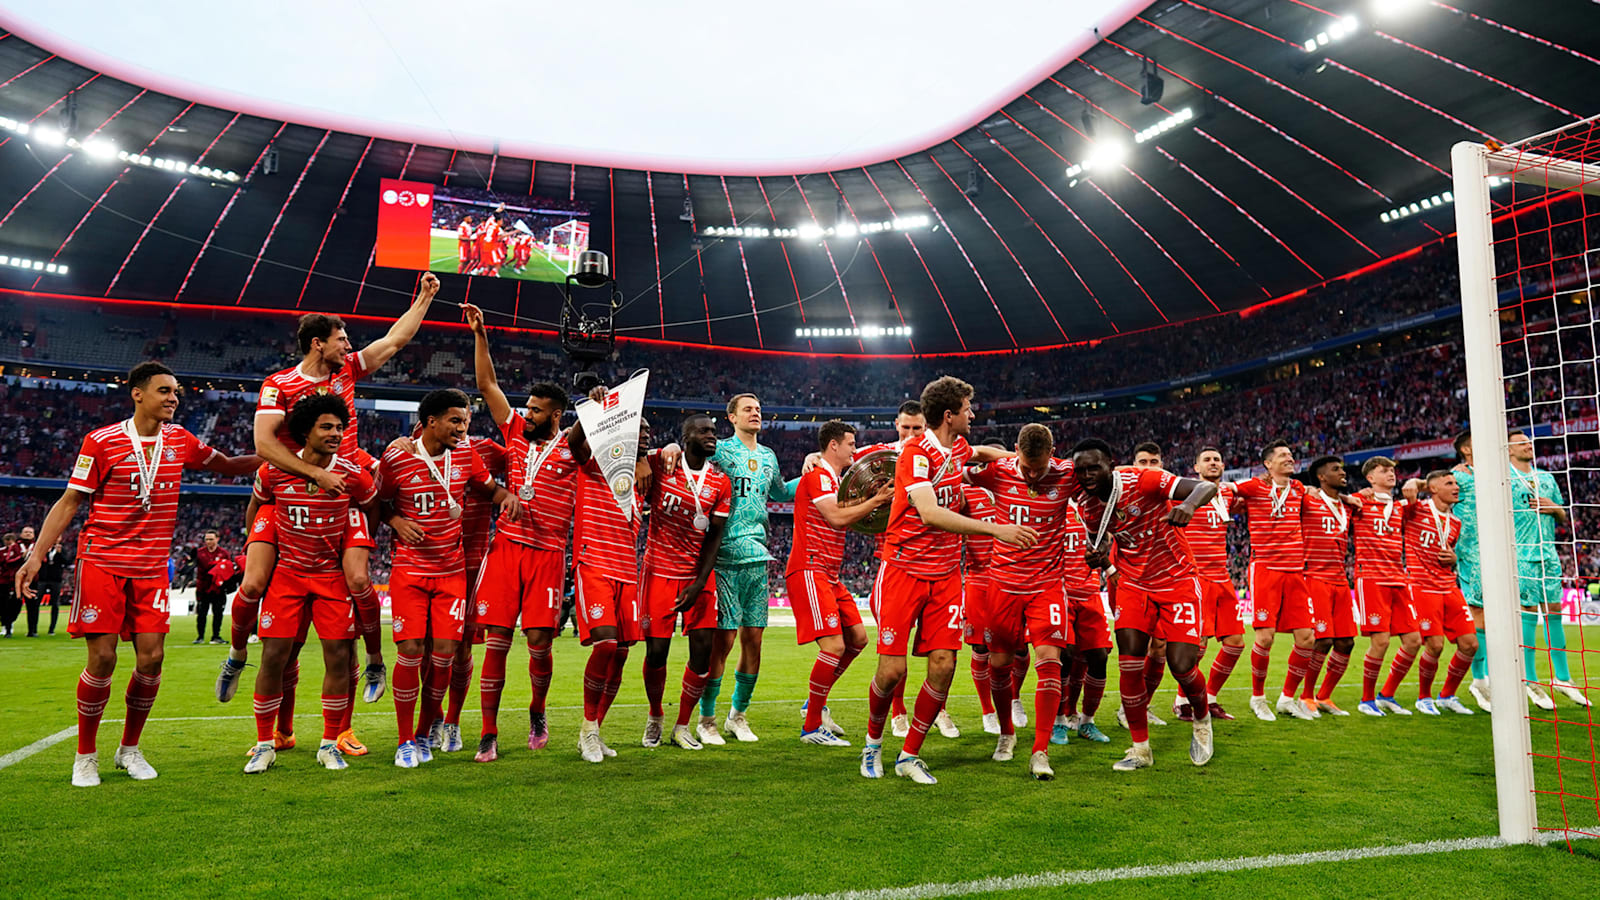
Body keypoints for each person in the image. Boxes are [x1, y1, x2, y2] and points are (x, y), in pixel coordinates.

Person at [16, 361, 258, 787]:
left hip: (150, 570)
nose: (174, 398)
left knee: (152, 658)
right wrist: (37, 555)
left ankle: (129, 749)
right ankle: (85, 757)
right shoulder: (102, 441)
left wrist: (286, 454)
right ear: (138, 393)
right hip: (103, 561)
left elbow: (228, 465)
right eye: (165, 390)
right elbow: (71, 500)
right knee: (104, 658)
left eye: (177, 392)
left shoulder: (180, 440)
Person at [219, 274, 440, 710]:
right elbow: (264, 446)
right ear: (318, 343)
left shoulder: (349, 370)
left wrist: (424, 298)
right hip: (289, 489)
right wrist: (311, 474)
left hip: (346, 481)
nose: (348, 345)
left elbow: (394, 341)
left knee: (359, 577)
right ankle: (237, 653)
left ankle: (374, 660)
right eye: (342, 339)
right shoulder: (278, 385)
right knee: (254, 582)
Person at [859, 376, 1037, 786]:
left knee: (943, 666)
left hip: (945, 576)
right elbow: (929, 512)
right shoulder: (915, 454)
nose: (973, 414)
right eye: (967, 408)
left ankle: (909, 755)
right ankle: (872, 744)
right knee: (891, 671)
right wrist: (995, 530)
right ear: (948, 415)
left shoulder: (957, 447)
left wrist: (1018, 459)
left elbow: (983, 453)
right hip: (903, 569)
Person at [464, 304, 580, 761]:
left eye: (535, 410)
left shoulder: (573, 448)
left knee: (538, 643)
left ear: (554, 416)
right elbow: (487, 385)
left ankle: (537, 709)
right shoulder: (512, 430)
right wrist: (481, 336)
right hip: (507, 548)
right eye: (527, 408)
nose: (526, 414)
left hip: (548, 554)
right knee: (496, 640)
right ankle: (488, 733)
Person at [378, 389, 515, 768]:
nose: (462, 428)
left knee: (444, 657)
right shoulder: (397, 456)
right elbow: (378, 502)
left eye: (467, 421)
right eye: (456, 420)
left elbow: (492, 488)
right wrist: (395, 520)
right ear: (431, 422)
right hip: (409, 570)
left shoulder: (468, 455)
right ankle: (404, 740)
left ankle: (425, 733)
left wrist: (508, 499)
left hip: (452, 572)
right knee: (409, 653)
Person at [244, 395, 380, 774]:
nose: (336, 433)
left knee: (338, 656)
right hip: (286, 576)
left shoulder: (354, 475)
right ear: (306, 431)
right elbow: (256, 508)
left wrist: (354, 543)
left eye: (339, 427)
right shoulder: (273, 471)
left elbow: (371, 509)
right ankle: (263, 743)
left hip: (330, 578)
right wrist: (256, 545)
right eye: (327, 427)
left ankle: (328, 743)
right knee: (273, 657)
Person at [1067, 439, 1218, 772]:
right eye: (1081, 470)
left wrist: (1189, 506)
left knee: (1182, 665)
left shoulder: (1143, 479)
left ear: (1112, 464)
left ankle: (1202, 719)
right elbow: (1104, 540)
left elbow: (1206, 486)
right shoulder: (1087, 504)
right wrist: (1098, 556)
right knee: (1129, 662)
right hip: (1134, 584)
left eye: (1094, 467)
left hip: (1177, 579)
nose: (1088, 475)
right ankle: (1140, 748)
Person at [965, 424, 1079, 780]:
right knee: (999, 663)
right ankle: (1006, 733)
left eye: (1039, 467)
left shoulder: (1068, 474)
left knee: (1049, 660)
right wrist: (995, 454)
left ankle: (1040, 752)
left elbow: (1107, 478)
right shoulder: (999, 471)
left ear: (1053, 452)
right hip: (1002, 584)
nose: (1032, 474)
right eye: (1026, 467)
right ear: (1015, 451)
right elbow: (960, 460)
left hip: (1047, 585)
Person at [785, 420, 891, 747]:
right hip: (810, 569)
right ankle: (812, 726)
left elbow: (850, 513)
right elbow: (836, 517)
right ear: (833, 445)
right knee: (834, 646)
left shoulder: (836, 479)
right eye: (849, 444)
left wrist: (874, 498)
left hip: (830, 575)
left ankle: (814, 704)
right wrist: (875, 501)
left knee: (858, 638)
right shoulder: (818, 476)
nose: (854, 450)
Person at [700, 393, 798, 745]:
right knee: (723, 641)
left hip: (759, 554)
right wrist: (667, 450)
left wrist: (816, 471)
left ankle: (738, 716)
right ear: (732, 417)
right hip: (725, 554)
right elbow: (692, 464)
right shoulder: (721, 450)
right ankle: (706, 718)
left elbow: (782, 492)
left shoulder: (769, 456)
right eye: (748, 409)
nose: (755, 413)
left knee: (753, 640)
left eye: (758, 410)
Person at [566, 388, 652, 763]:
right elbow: (575, 440)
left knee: (620, 652)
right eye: (640, 429)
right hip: (594, 565)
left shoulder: (641, 480)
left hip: (627, 573)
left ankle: (596, 729)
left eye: (650, 433)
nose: (646, 434)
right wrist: (597, 410)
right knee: (604, 644)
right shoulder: (595, 463)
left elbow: (681, 455)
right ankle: (586, 729)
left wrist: (653, 455)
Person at [640, 414, 733, 750]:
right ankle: (655, 717)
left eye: (714, 432)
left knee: (703, 654)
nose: (712, 436)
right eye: (704, 431)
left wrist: (699, 582)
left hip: (697, 578)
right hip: (659, 572)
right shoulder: (663, 464)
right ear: (685, 436)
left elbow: (715, 536)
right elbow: (633, 454)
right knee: (656, 653)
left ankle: (682, 725)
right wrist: (651, 454)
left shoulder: (721, 482)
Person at [1232, 440, 1318, 722]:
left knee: (1307, 638)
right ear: (1268, 463)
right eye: (1282, 455)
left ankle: (1286, 699)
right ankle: (1258, 698)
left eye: (1291, 455)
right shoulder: (1253, 487)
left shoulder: (1299, 489)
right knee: (1265, 637)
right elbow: (1226, 492)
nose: (1289, 458)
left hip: (1296, 572)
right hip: (1266, 569)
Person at [1509, 431, 1587, 709]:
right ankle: (1530, 680)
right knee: (1528, 613)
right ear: (1507, 450)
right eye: (1521, 443)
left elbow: (1563, 514)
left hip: (1548, 553)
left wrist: (1554, 507)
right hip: (1520, 554)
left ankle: (1563, 678)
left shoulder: (1546, 478)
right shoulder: (1503, 477)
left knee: (1554, 611)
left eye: (1529, 442)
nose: (1528, 445)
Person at [1397, 471, 1479, 715]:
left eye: (1456, 483)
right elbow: (1407, 495)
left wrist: (1454, 558)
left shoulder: (1456, 522)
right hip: (1422, 586)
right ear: (1433, 488)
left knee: (1470, 644)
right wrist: (1413, 483)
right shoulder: (1416, 510)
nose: (1456, 487)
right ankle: (1424, 698)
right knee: (1435, 645)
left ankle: (1447, 696)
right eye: (1449, 483)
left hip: (1448, 586)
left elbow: (1449, 554)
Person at [1353, 456, 1421, 718]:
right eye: (1384, 471)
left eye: (1393, 470)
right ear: (1370, 478)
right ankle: (1366, 699)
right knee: (1379, 642)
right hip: (1371, 578)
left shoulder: (1402, 507)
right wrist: (1354, 495)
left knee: (1414, 641)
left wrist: (1416, 481)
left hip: (1398, 579)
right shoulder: (1360, 502)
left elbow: (1431, 487)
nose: (1391, 474)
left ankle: (1387, 695)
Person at [1188, 448, 1245, 721]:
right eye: (1207, 460)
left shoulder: (1228, 494)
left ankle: (1209, 697)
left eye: (1218, 460)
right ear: (1196, 467)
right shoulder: (1185, 491)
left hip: (1222, 577)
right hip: (1196, 577)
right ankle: (1183, 701)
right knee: (1198, 646)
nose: (1213, 463)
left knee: (1235, 643)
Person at [1301, 457, 1358, 716]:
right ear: (1321, 477)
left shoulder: (1348, 506)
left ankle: (1325, 696)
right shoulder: (1308, 499)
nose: (1342, 472)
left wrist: (1347, 498)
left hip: (1340, 581)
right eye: (1336, 469)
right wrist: (1305, 488)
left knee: (1346, 642)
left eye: (1342, 468)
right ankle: (1306, 696)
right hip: (1314, 577)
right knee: (1323, 640)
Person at [1057, 500, 1113, 744]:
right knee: (1064, 656)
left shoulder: (1098, 508)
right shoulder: (1054, 504)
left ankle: (1087, 721)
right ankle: (1058, 721)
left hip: (1090, 592)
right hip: (1059, 591)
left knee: (1099, 656)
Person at [1450, 432, 1491, 711]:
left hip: (1500, 545)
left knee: (1499, 615)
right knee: (1479, 612)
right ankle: (1480, 678)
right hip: (1472, 549)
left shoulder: (1496, 471)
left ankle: (1494, 675)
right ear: (1466, 449)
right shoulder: (1459, 475)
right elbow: (1435, 488)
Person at [193, 531, 231, 645]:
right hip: (203, 588)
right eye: (207, 539)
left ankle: (216, 636)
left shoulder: (224, 553)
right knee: (201, 613)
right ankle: (200, 636)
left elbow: (228, 569)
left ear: (217, 539)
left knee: (218, 613)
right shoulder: (199, 553)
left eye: (211, 539)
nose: (208, 542)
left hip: (218, 588)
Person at [1, 532, 23, 636]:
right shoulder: (2, 551)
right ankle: (7, 626)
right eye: (7, 541)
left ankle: (9, 623)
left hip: (15, 581)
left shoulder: (18, 551)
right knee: (4, 605)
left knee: (16, 604)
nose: (9, 544)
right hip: (3, 582)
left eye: (10, 541)